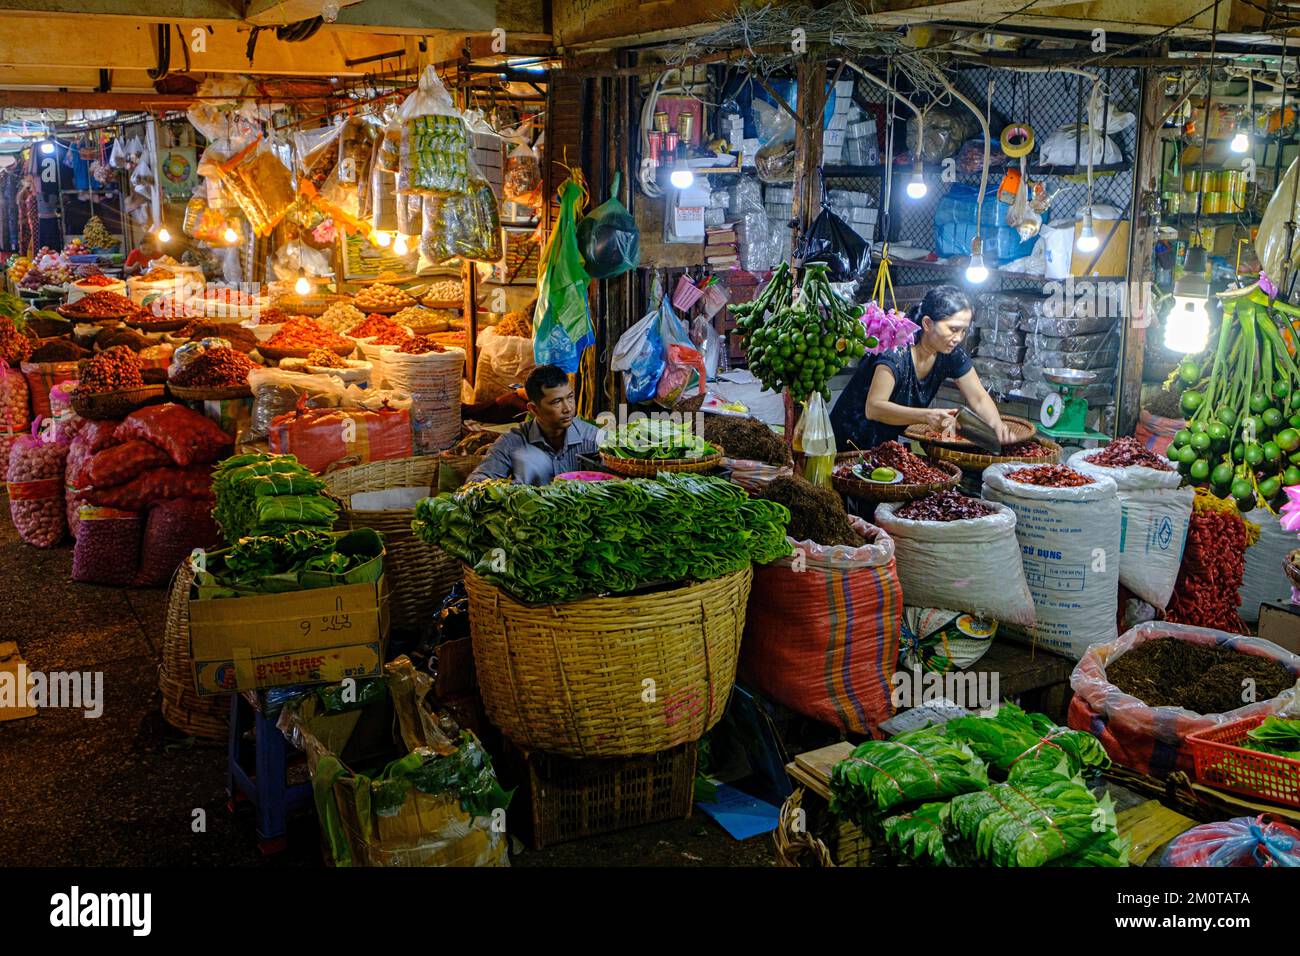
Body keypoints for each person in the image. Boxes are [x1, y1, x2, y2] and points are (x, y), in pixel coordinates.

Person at [830, 284, 1014, 450]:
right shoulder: (896, 351)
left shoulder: (950, 353)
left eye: (964, 330)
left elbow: (979, 397)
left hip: (884, 443)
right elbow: (874, 408)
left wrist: (996, 426)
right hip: (848, 439)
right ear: (927, 323)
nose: (959, 338)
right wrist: (927, 416)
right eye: (953, 329)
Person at [466, 364, 602, 485]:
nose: (568, 408)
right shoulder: (513, 442)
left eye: (570, 397)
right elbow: (476, 482)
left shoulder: (594, 439)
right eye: (556, 402)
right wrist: (510, 492)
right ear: (533, 409)